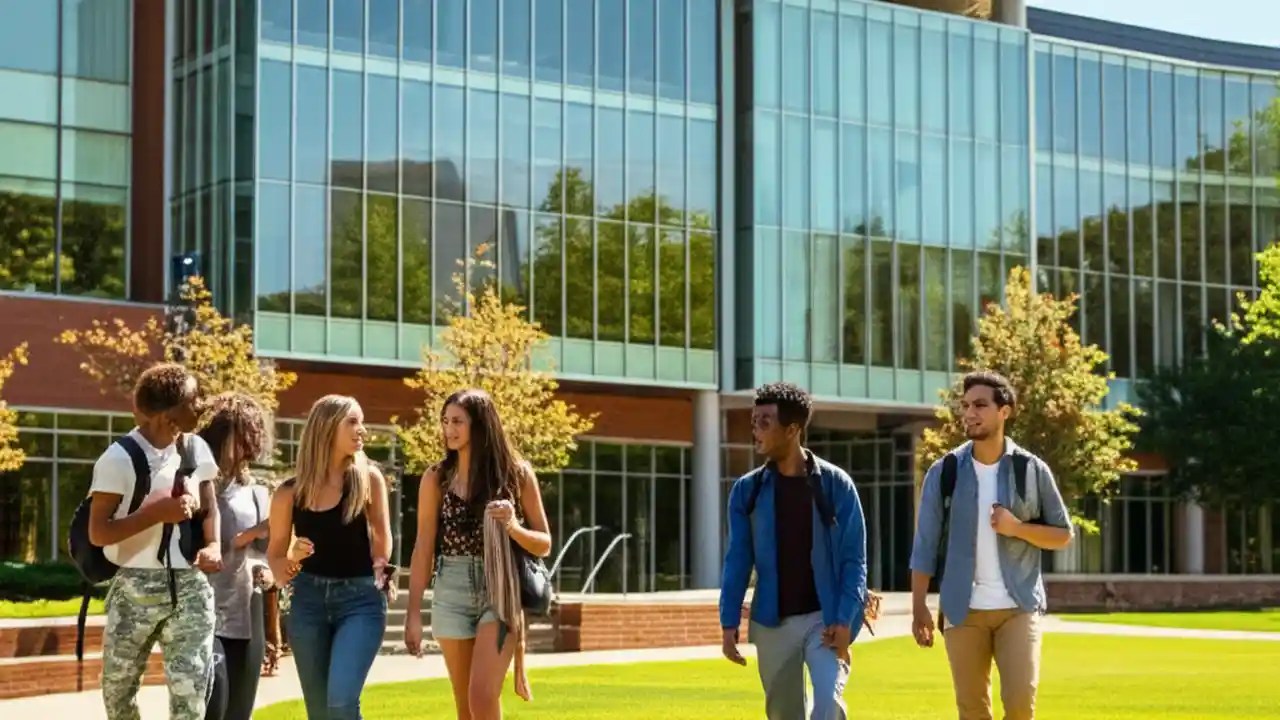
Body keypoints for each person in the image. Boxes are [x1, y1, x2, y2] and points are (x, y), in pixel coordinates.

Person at [908, 370, 1074, 720]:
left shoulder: (1031, 469)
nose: (969, 413)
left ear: (1005, 411)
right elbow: (924, 543)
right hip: (961, 609)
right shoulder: (945, 471)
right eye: (965, 405)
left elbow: (1063, 534)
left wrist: (1016, 528)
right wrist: (919, 605)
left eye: (980, 405)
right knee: (972, 710)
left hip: (1019, 605)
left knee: (1019, 704)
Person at [719, 382, 869, 720]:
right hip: (772, 623)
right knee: (784, 714)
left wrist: (845, 618)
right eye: (754, 420)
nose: (755, 430)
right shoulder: (747, 491)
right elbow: (738, 560)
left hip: (826, 619)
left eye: (765, 422)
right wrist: (728, 621)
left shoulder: (836, 485)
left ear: (792, 429)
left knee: (828, 705)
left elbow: (853, 560)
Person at [403, 388, 552, 720]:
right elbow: (423, 545)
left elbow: (544, 543)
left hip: (499, 591)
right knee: (465, 709)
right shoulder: (436, 478)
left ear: (480, 424)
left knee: (482, 697)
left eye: (458, 421)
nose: (449, 429)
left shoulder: (516, 474)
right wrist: (413, 611)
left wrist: (513, 526)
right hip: (451, 589)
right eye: (445, 421)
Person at [88, 363, 222, 720]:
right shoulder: (118, 459)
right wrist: (157, 513)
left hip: (191, 587)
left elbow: (210, 508)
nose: (202, 405)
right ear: (168, 413)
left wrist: (213, 546)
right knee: (118, 695)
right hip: (135, 587)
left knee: (191, 698)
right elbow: (98, 533)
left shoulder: (197, 450)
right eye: (194, 399)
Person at [266, 395, 393, 720]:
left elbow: (382, 536)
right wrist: (291, 557)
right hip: (308, 603)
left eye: (361, 422)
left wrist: (382, 567)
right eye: (352, 421)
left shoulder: (368, 480)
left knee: (341, 702)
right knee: (320, 712)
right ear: (325, 427)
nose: (361, 430)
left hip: (361, 601)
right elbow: (277, 563)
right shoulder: (289, 494)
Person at [200, 393, 272, 720]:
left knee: (240, 714)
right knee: (213, 708)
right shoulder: (199, 484)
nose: (251, 440)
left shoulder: (256, 492)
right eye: (245, 431)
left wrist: (268, 573)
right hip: (204, 613)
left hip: (247, 616)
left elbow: (266, 555)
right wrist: (249, 535)